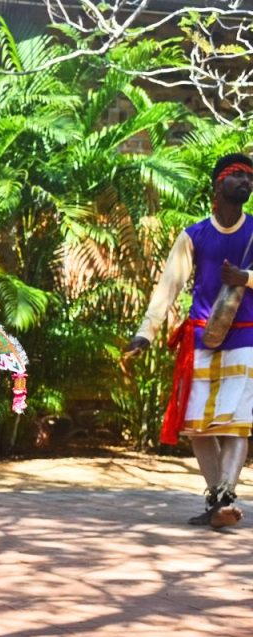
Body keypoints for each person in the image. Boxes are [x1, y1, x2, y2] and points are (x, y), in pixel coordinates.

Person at [125, 153, 253, 529]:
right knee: (198, 427)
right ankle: (217, 499)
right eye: (237, 176)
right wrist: (145, 333)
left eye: (250, 177)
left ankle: (228, 494)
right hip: (200, 338)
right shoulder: (194, 235)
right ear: (218, 185)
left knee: (236, 423)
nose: (246, 182)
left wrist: (244, 278)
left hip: (246, 336)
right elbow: (169, 287)